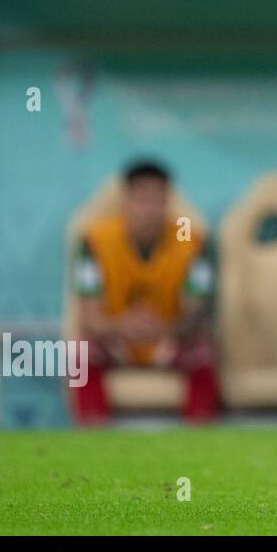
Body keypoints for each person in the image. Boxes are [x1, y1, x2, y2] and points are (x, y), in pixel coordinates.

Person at [69, 160, 220, 422]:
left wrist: (162, 329)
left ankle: (201, 434)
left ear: (168, 201)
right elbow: (90, 316)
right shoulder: (95, 241)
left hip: (170, 339)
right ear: (125, 201)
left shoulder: (189, 240)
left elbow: (195, 313)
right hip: (116, 339)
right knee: (82, 352)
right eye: (141, 199)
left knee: (203, 351)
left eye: (158, 200)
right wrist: (123, 326)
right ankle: (91, 434)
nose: (149, 210)